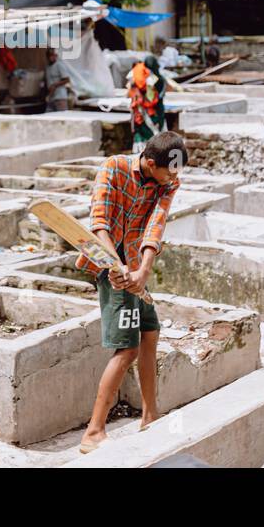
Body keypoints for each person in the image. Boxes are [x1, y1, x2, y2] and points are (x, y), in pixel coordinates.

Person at [77, 131, 183, 453]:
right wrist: (114, 265)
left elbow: (156, 224)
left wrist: (143, 270)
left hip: (136, 267)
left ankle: (150, 415)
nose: (173, 179)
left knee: (150, 332)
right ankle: (94, 432)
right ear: (150, 163)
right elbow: (99, 224)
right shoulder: (113, 168)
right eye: (168, 171)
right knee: (126, 349)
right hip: (110, 270)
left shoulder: (170, 181)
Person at [126, 55, 167, 149]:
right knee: (154, 129)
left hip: (139, 110)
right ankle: (155, 148)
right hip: (152, 110)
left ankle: (142, 149)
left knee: (141, 129)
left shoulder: (136, 76)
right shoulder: (155, 78)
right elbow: (159, 95)